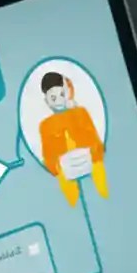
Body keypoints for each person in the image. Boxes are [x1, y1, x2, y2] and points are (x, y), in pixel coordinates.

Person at [38, 71, 108, 207]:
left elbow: (97, 144)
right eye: (53, 98)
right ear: (46, 101)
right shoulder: (46, 126)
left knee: (102, 194)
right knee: (73, 202)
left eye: (61, 95)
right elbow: (48, 158)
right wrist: (59, 164)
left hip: (92, 168)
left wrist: (91, 154)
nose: (58, 101)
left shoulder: (80, 113)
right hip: (67, 176)